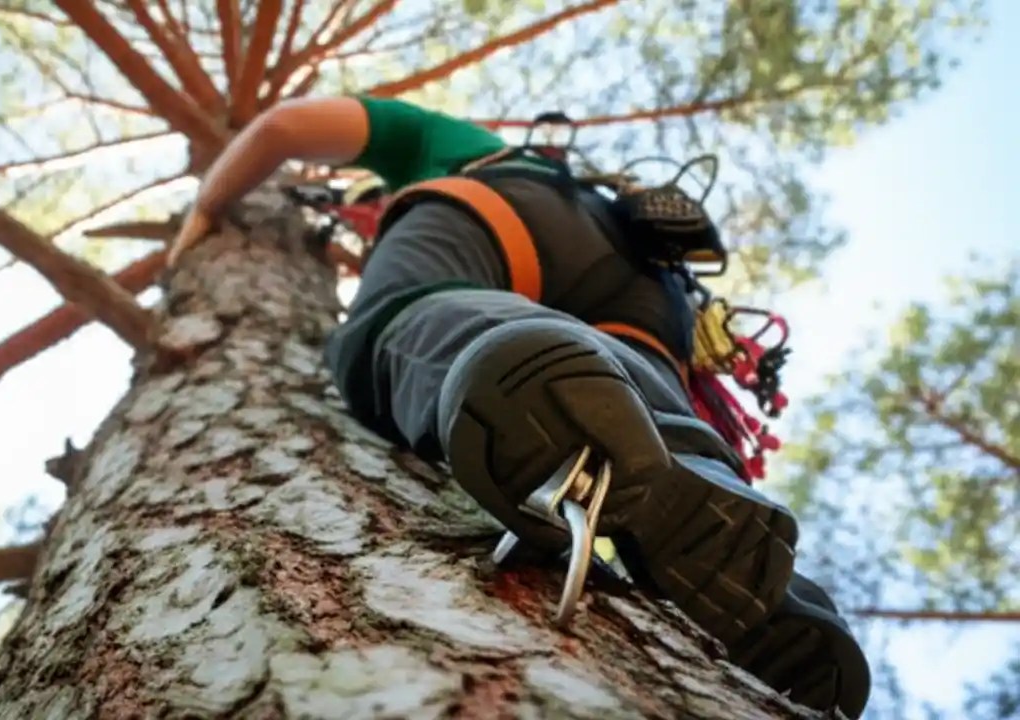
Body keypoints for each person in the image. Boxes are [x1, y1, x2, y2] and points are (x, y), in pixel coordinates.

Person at [171, 96, 870, 718]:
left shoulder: (431, 141)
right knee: (645, 410)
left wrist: (206, 206)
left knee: (398, 315)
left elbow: (283, 125)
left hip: (501, 209)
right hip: (651, 293)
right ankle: (768, 588)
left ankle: (509, 359)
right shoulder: (578, 180)